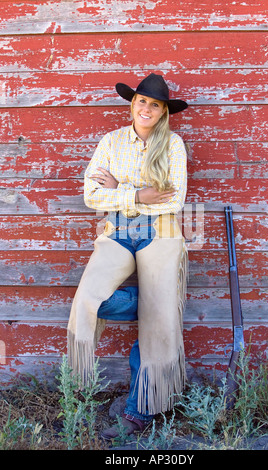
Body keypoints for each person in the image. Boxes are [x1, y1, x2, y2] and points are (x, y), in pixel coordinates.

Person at [67, 73, 189, 440]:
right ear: (131, 103)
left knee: (156, 326)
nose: (146, 108)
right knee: (91, 300)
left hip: (162, 231)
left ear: (163, 111)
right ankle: (155, 307)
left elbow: (175, 198)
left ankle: (140, 409)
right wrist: (136, 195)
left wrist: (119, 189)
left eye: (155, 104)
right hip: (117, 231)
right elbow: (91, 195)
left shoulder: (173, 145)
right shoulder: (111, 141)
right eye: (141, 101)